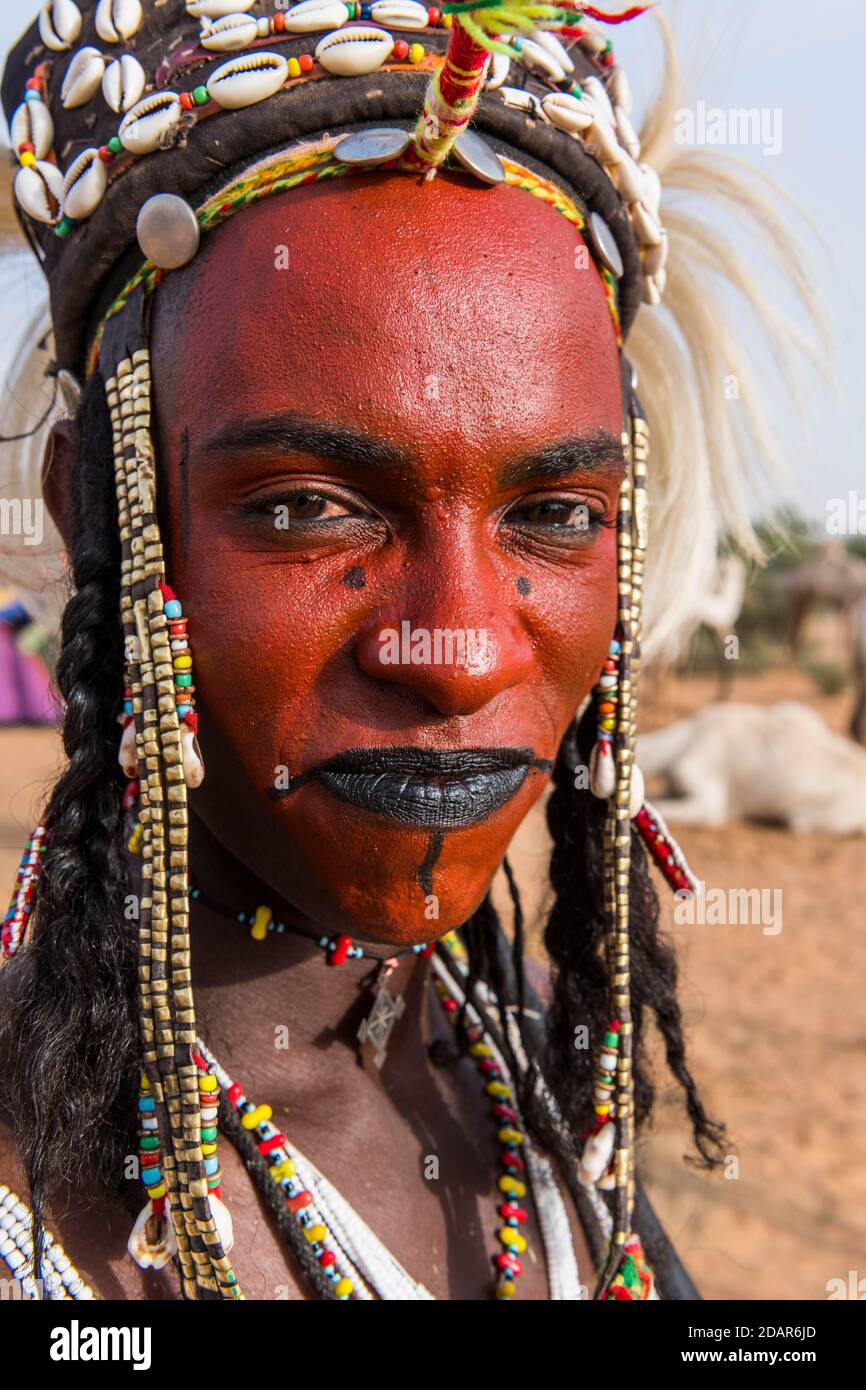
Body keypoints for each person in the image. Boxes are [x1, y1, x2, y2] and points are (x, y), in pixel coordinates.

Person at [0, 0, 815, 1301]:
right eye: (309, 506)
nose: (457, 649)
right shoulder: (39, 1207)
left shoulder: (534, 1065)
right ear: (92, 508)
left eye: (551, 515)